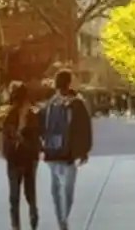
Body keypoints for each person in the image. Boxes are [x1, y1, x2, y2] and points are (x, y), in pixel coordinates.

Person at [42, 69, 92, 230]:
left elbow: (42, 125)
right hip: (68, 153)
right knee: (67, 190)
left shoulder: (50, 103)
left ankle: (61, 220)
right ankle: (63, 218)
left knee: (56, 189)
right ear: (69, 83)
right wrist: (84, 150)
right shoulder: (77, 103)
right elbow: (85, 128)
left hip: (52, 151)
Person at [1, 81, 41, 230]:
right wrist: (9, 151)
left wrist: (25, 143)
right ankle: (16, 225)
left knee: (29, 193)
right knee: (14, 196)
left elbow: (36, 138)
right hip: (14, 160)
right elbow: (5, 139)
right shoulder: (9, 116)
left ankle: (33, 217)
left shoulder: (33, 116)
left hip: (29, 159)